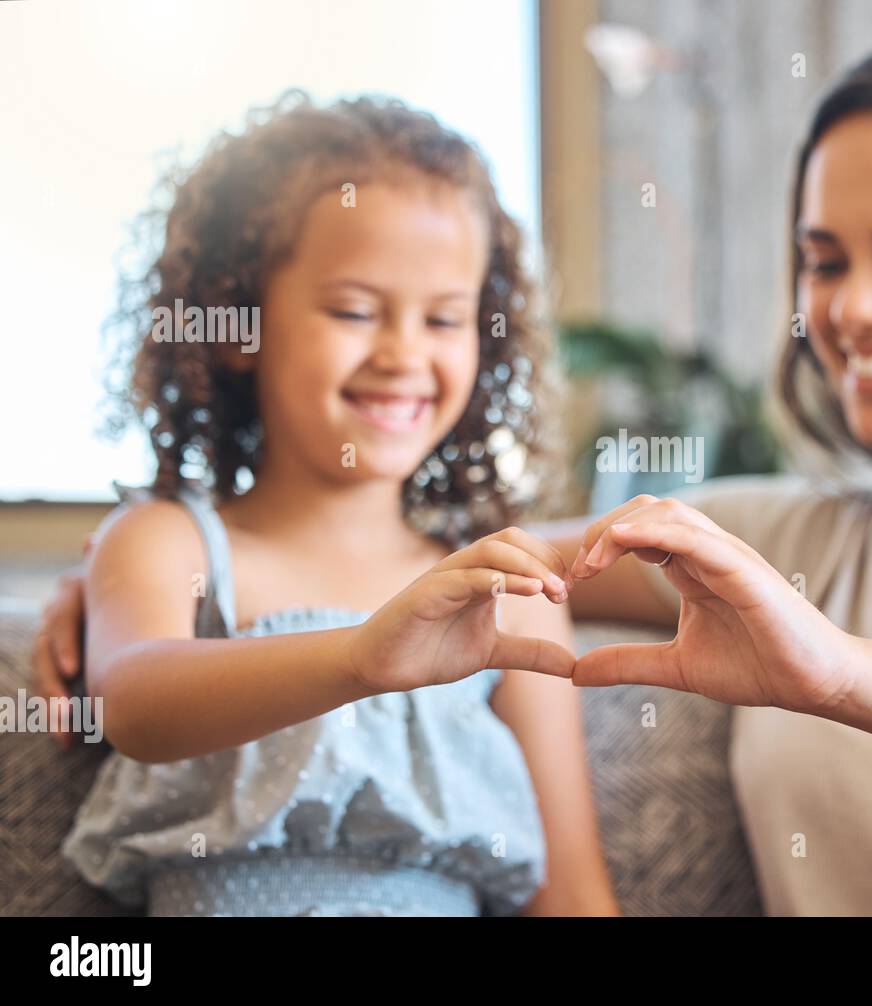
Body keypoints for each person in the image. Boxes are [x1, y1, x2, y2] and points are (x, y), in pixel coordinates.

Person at [36, 37, 872, 916]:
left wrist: (845, 673)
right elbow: (426, 568)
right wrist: (122, 587)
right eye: (822, 258)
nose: (851, 306)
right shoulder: (782, 536)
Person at [41, 90, 618, 917]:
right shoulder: (167, 547)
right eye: (354, 310)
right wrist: (359, 658)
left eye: (445, 319)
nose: (403, 354)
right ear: (241, 324)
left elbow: (573, 898)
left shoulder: (511, 599)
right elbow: (137, 703)